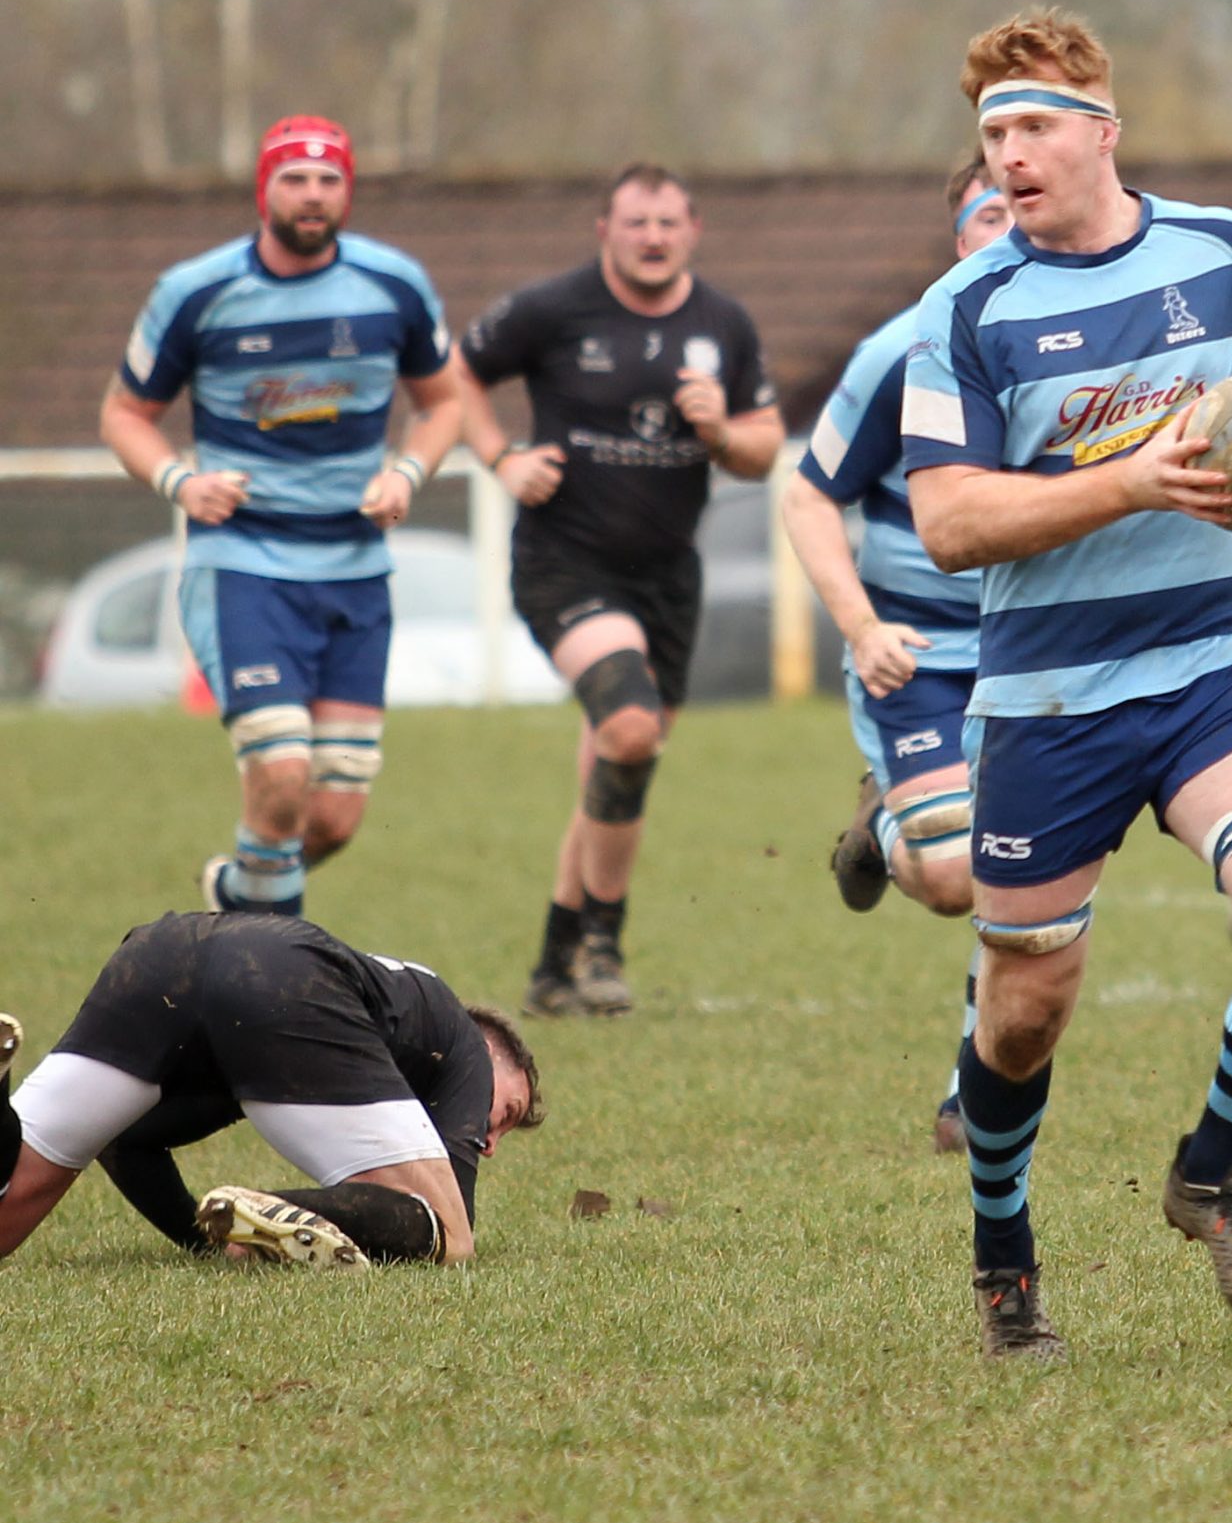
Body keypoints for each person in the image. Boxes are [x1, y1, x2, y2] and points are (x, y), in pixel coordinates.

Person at [900, 9, 1232, 1356]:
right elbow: (949, 521)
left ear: (1104, 133)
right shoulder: (966, 311)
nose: (1009, 155)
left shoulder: (1222, 252)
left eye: (1034, 127)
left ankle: (1210, 1171)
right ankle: (1004, 1253)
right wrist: (1131, 481)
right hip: (1045, 699)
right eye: (992, 134)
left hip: (1210, 667)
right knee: (1023, 1017)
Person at [97, 116, 472, 920]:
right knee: (280, 777)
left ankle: (237, 901)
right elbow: (125, 413)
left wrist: (407, 472)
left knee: (330, 819)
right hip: (243, 562)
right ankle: (274, 982)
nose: (312, 194)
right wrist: (180, 482)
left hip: (357, 569)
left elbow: (444, 402)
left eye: (328, 179)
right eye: (294, 178)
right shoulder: (196, 292)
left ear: (349, 190)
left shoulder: (394, 285)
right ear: (263, 188)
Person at [458, 164, 784, 1017]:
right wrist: (501, 457)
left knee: (618, 760)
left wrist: (720, 429)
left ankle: (553, 965)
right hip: (564, 564)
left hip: (669, 577)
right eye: (637, 221)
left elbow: (763, 448)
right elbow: (453, 373)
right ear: (605, 229)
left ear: (694, 230)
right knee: (630, 727)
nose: (653, 236)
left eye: (668, 222)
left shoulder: (724, 323)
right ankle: (604, 940)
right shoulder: (551, 309)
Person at [781, 157, 1014, 1152]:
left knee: (1024, 869)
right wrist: (862, 627)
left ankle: (971, 1090)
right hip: (915, 651)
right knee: (954, 877)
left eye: (1026, 206)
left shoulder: (1089, 347)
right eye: (991, 212)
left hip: (1036, 651)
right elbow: (807, 495)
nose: (1012, 227)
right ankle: (881, 826)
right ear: (959, 240)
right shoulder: (902, 352)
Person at [1, 913, 543, 1268]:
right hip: (282, 978)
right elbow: (456, 1230)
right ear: (490, 1049)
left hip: (157, 956)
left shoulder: (345, 1045)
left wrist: (206, 1242)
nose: (490, 1141)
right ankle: (274, 1208)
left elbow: (125, 1139)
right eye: (507, 1110)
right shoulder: (465, 1042)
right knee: (450, 1236)